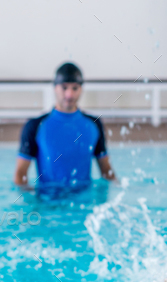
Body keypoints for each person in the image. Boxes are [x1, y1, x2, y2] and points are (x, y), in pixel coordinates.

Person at [14, 62, 116, 190]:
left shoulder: (94, 124)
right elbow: (20, 174)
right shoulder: (35, 126)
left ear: (81, 89)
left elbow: (106, 170)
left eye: (75, 88)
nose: (69, 95)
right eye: (64, 88)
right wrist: (31, 199)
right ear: (55, 88)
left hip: (85, 204)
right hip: (48, 202)